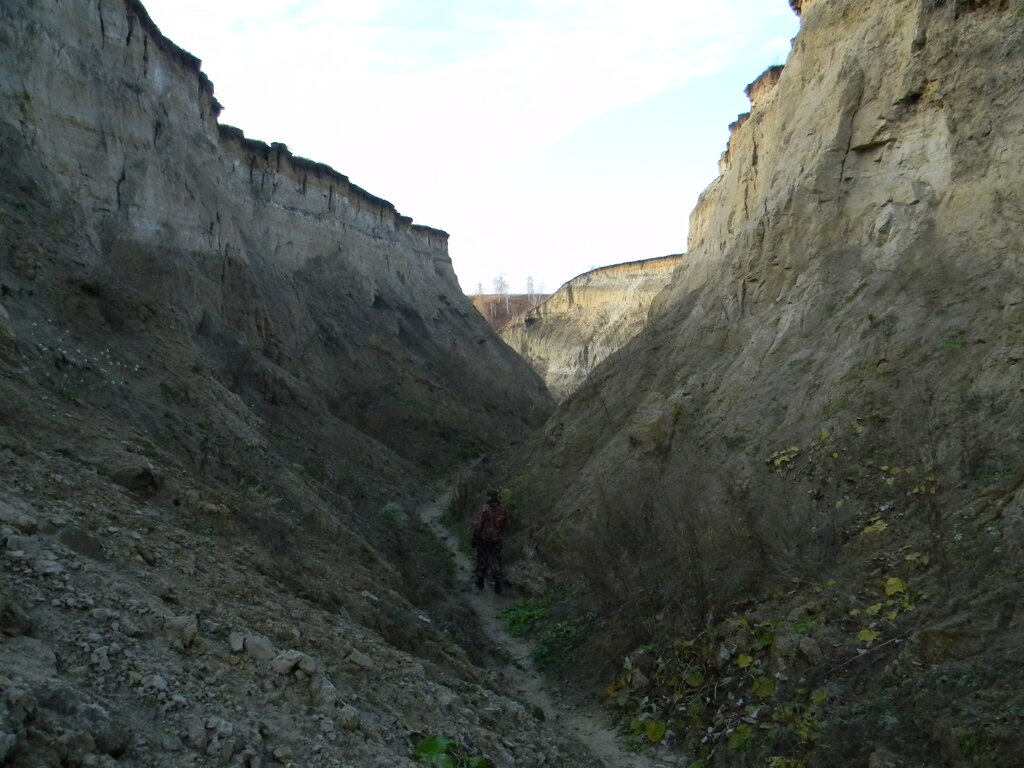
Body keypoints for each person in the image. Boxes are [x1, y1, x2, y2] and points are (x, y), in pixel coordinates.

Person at [472, 488, 509, 593]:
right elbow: (506, 526)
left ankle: (480, 582)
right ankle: (498, 585)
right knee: (496, 560)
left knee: (483, 559)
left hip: (485, 538)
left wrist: (474, 537)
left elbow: (478, 525)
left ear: (488, 497)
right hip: (497, 539)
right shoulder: (503, 510)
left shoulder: (485, 509)